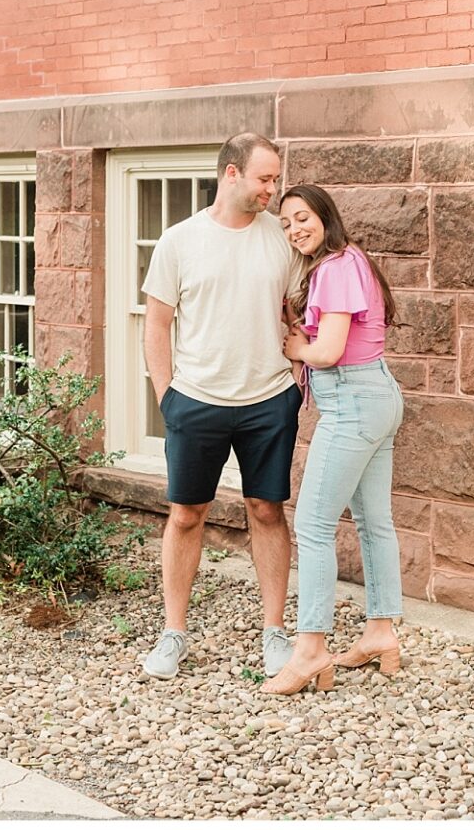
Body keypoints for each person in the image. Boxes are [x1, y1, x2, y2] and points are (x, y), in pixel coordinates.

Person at [140, 133, 303, 680]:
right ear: (231, 174)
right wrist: (168, 397)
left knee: (267, 511)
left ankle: (275, 632)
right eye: (265, 178)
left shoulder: (281, 240)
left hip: (268, 401)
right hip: (197, 401)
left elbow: (294, 310)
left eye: (276, 179)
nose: (272, 190)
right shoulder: (180, 241)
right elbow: (156, 325)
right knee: (187, 515)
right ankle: (173, 633)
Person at [261, 183, 405, 695]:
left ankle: (310, 649)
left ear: (325, 216)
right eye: (286, 223)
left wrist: (300, 347)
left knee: (313, 525)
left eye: (303, 217)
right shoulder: (348, 261)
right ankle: (381, 633)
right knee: (374, 522)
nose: (295, 228)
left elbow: (330, 351)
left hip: (352, 404)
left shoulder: (336, 267)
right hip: (377, 397)